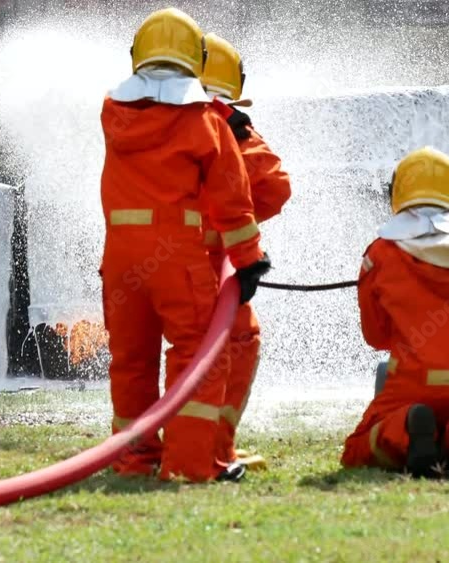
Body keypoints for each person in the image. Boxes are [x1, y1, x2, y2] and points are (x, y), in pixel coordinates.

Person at [99, 7, 270, 483]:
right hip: (176, 257)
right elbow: (233, 198)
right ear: (195, 59)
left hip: (119, 259)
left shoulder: (113, 112)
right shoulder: (206, 122)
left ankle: (133, 460)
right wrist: (249, 260)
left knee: (131, 361)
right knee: (197, 355)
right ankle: (191, 465)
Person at [341, 147, 449, 480]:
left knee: (360, 447)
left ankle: (409, 425)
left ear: (397, 193)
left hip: (411, 381)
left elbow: (375, 336)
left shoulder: (381, 252)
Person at [198, 33, 292, 471]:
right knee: (236, 340)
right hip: (206, 268)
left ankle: (140, 452)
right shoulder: (225, 128)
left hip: (137, 264)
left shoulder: (138, 116)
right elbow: (274, 188)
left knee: (140, 357)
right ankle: (210, 450)